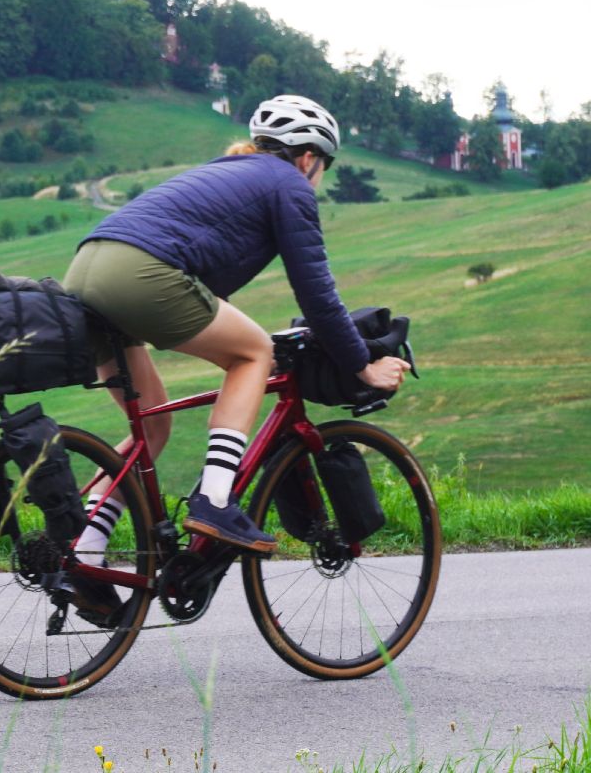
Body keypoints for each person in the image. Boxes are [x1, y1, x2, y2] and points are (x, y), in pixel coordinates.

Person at [55, 94, 411, 623]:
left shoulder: (229, 173)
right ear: (309, 157)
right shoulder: (288, 184)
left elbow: (209, 278)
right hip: (140, 273)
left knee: (151, 429)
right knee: (254, 356)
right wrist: (362, 364)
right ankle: (215, 503)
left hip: (86, 271)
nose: (320, 177)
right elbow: (316, 291)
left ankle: (85, 553)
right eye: (325, 166)